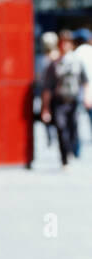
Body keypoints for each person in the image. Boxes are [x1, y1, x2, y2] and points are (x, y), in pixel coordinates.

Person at [41, 29, 88, 166]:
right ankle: (64, 158)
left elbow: (85, 80)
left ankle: (72, 151)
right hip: (59, 101)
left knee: (73, 128)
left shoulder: (77, 61)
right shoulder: (54, 64)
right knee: (61, 129)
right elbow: (47, 88)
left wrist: (87, 96)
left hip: (73, 100)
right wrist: (45, 107)